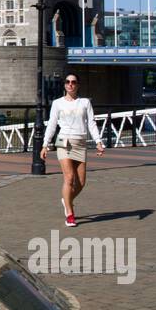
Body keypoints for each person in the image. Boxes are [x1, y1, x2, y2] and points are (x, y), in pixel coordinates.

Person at [40, 72, 105, 228]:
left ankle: (66, 199)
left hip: (80, 143)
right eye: (68, 82)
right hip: (63, 141)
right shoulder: (57, 103)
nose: (70, 84)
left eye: (73, 82)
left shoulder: (85, 103)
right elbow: (52, 124)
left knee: (81, 182)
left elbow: (91, 123)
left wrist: (98, 141)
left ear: (78, 85)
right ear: (64, 85)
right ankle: (70, 214)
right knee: (69, 179)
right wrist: (45, 144)